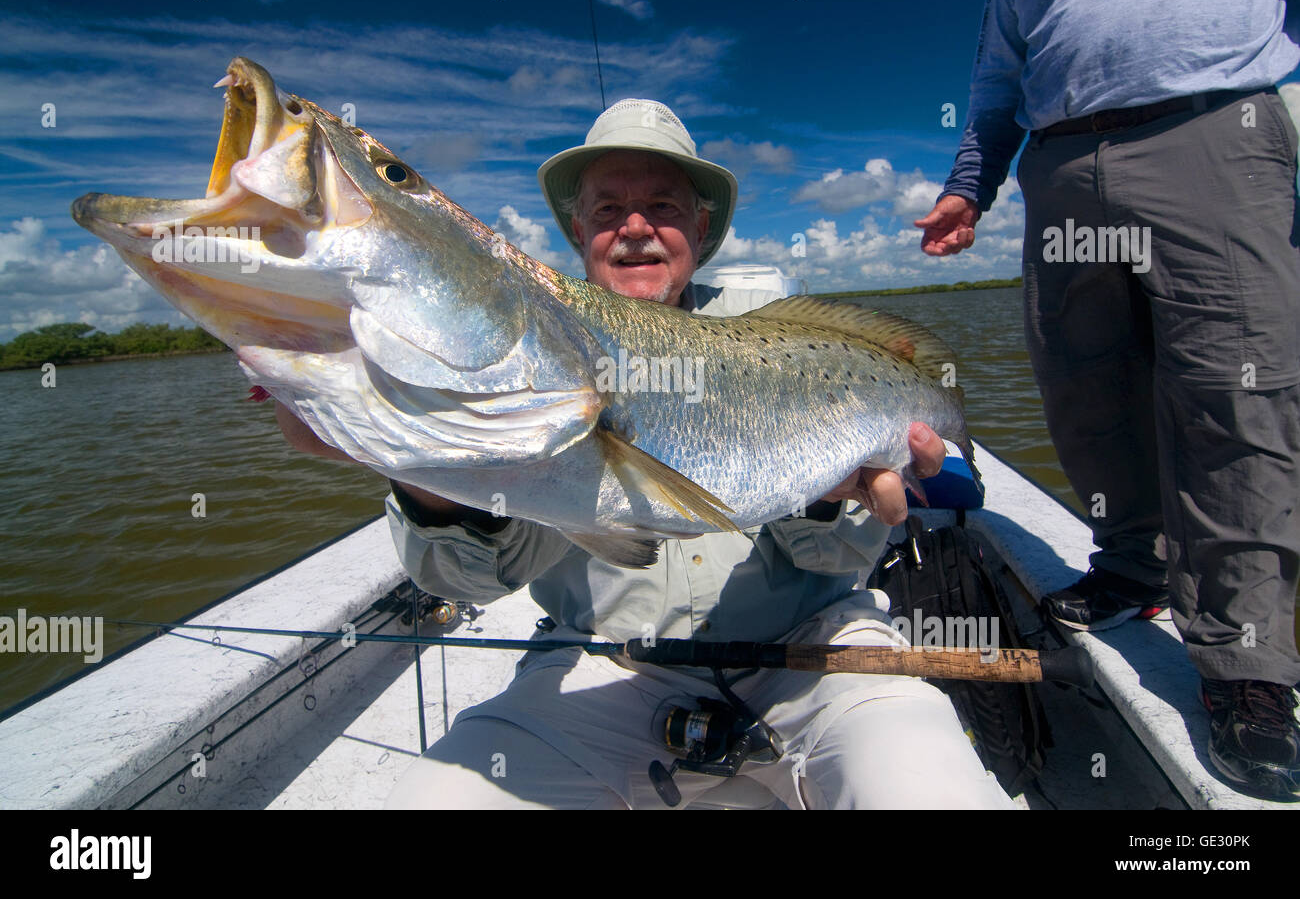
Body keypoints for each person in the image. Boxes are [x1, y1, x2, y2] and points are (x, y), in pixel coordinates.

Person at [280, 98, 1013, 808]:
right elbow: (469, 581)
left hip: (816, 653)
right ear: (577, 233)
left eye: (662, 206)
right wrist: (431, 477)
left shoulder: (787, 343)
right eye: (607, 210)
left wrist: (826, 497)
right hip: (600, 665)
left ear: (701, 226)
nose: (634, 227)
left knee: (928, 785)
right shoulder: (531, 343)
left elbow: (835, 559)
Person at [915, 0, 1300, 799]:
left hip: (1215, 131)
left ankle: (1247, 660)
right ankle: (1134, 560)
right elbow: (997, 81)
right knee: (1083, 386)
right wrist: (968, 188)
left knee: (1235, 397)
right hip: (1057, 164)